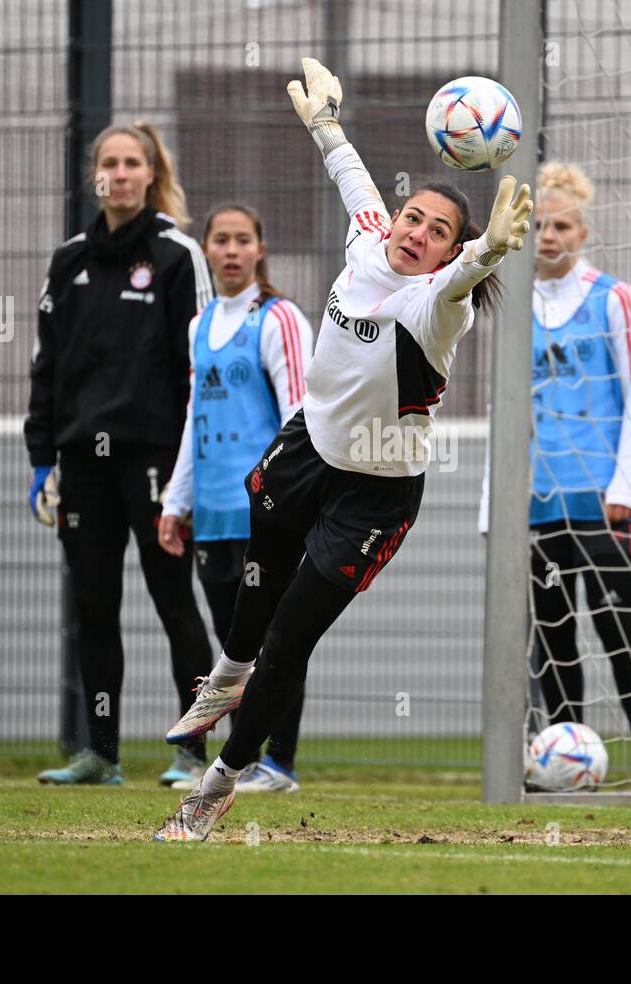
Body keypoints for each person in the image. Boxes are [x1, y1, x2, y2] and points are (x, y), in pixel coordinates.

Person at [153, 57, 532, 841]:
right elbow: (357, 187)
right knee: (255, 583)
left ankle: (216, 787)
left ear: (445, 253)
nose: (417, 234)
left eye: (438, 233)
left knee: (291, 636)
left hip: (377, 490)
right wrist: (326, 123)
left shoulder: (436, 305)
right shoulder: (371, 240)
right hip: (308, 447)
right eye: (414, 219)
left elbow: (462, 281)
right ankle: (226, 676)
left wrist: (488, 250)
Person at [25, 120, 216, 787]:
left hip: (157, 462)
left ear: (151, 174)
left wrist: (193, 470)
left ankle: (193, 750)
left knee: (174, 604)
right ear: (95, 175)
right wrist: (41, 458)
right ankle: (100, 754)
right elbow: (46, 365)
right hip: (82, 465)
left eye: (134, 162)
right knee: (93, 608)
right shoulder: (68, 259)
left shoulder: (175, 255)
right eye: (110, 162)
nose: (121, 173)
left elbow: (201, 369)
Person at [481, 161, 631, 793]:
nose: (548, 235)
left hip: (605, 501)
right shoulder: (515, 308)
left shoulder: (615, 298)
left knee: (618, 628)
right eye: (538, 226)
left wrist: (626, 487)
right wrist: (494, 503)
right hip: (538, 502)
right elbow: (504, 413)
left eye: (560, 225)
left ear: (582, 233)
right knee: (553, 639)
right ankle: (570, 765)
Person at [156, 202, 314, 793]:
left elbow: (303, 413)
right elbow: (194, 419)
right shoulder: (198, 327)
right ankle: (240, 763)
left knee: (279, 639)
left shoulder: (279, 319)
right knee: (234, 649)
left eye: (241, 240)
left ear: (259, 250)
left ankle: (280, 763)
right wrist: (176, 501)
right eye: (219, 240)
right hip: (216, 514)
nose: (230, 250)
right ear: (207, 250)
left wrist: (297, 496)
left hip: (268, 513)